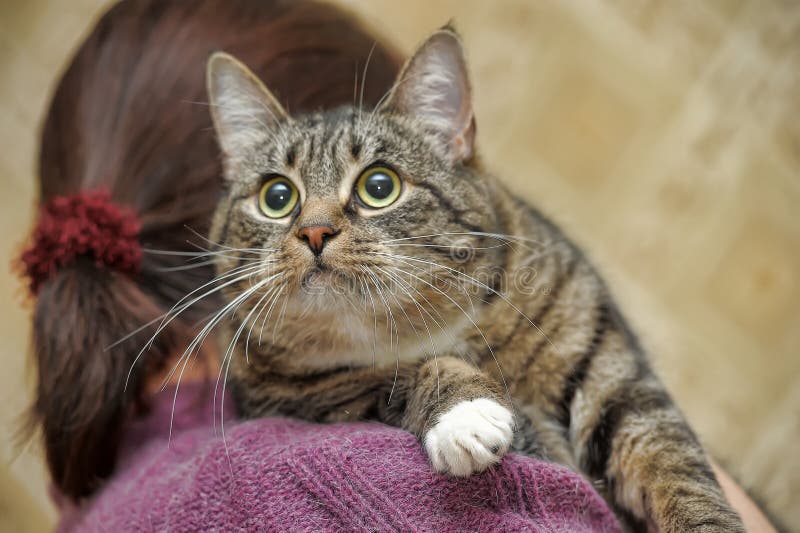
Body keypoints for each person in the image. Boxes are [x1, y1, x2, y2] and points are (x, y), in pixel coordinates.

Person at [18, 1, 774, 531]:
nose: (316, 227)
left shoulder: (109, 491)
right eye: (276, 195)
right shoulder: (329, 478)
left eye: (374, 186)